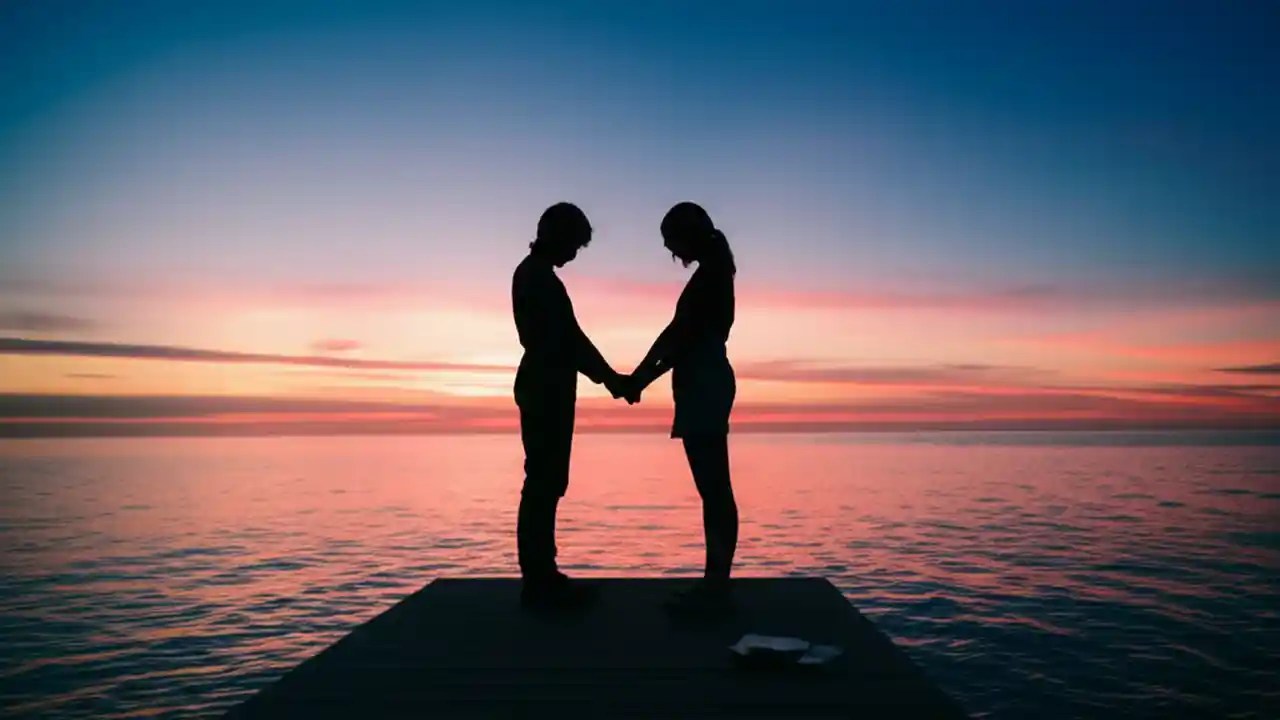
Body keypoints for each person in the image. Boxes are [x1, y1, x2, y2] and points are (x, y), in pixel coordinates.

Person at [512, 202, 630, 610]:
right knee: (544, 482)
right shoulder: (539, 279)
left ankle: (543, 575)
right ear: (557, 236)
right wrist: (611, 379)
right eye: (574, 245)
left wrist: (607, 378)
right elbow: (569, 340)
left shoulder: (537, 275)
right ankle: (539, 581)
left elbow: (570, 339)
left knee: (547, 481)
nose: (575, 254)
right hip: (545, 387)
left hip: (549, 385)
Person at [625, 202, 738, 615]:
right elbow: (673, 334)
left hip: (704, 384)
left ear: (687, 235)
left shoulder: (711, 277)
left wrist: (640, 379)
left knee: (714, 489)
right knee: (713, 489)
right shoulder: (709, 274)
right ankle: (714, 584)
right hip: (700, 384)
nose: (669, 250)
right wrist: (640, 373)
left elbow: (682, 342)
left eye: (670, 240)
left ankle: (715, 589)